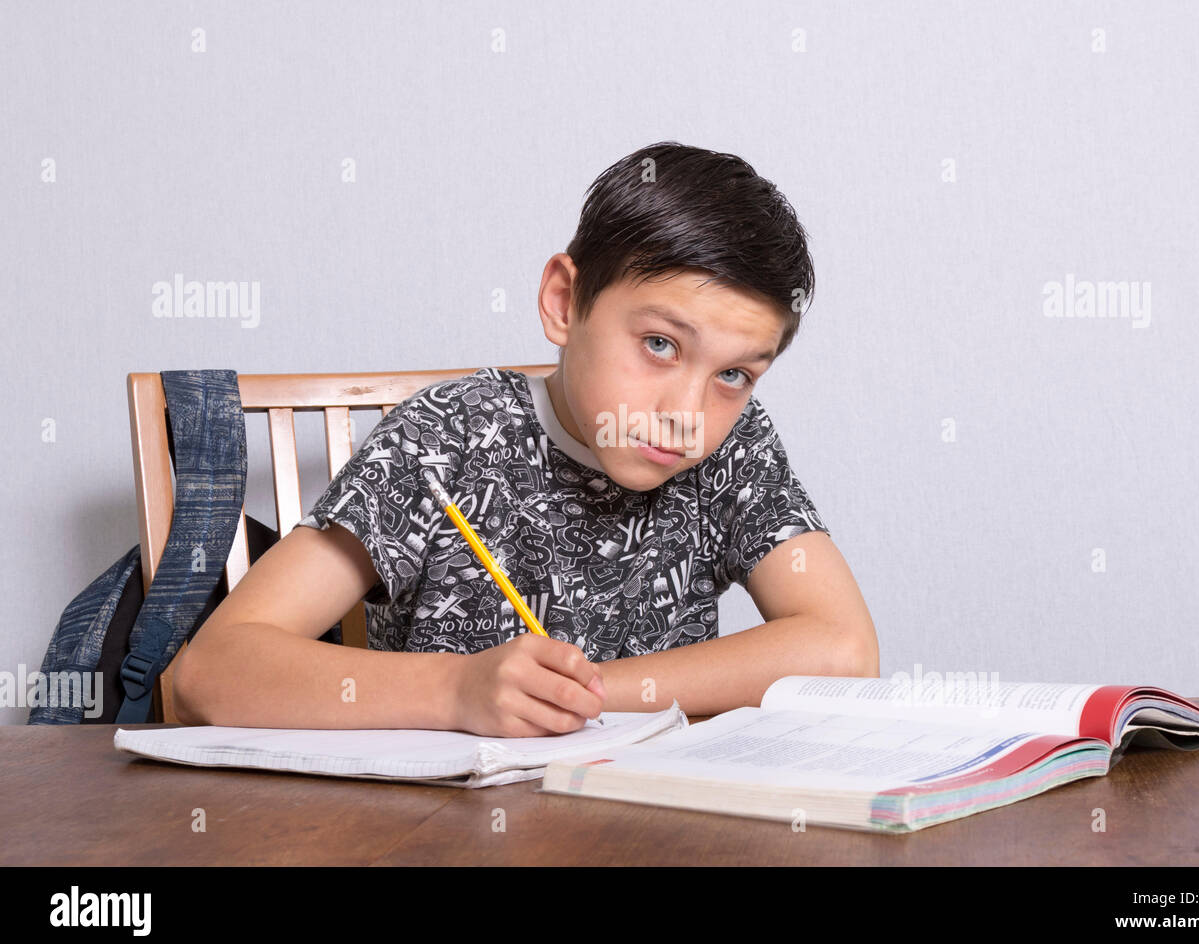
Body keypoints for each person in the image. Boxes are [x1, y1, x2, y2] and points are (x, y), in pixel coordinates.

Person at [173, 141, 878, 736]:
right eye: (660, 343)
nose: (687, 412)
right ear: (563, 303)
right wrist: (456, 692)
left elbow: (843, 650)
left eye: (733, 374)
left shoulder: (732, 447)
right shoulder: (445, 437)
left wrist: (585, 691)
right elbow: (209, 673)